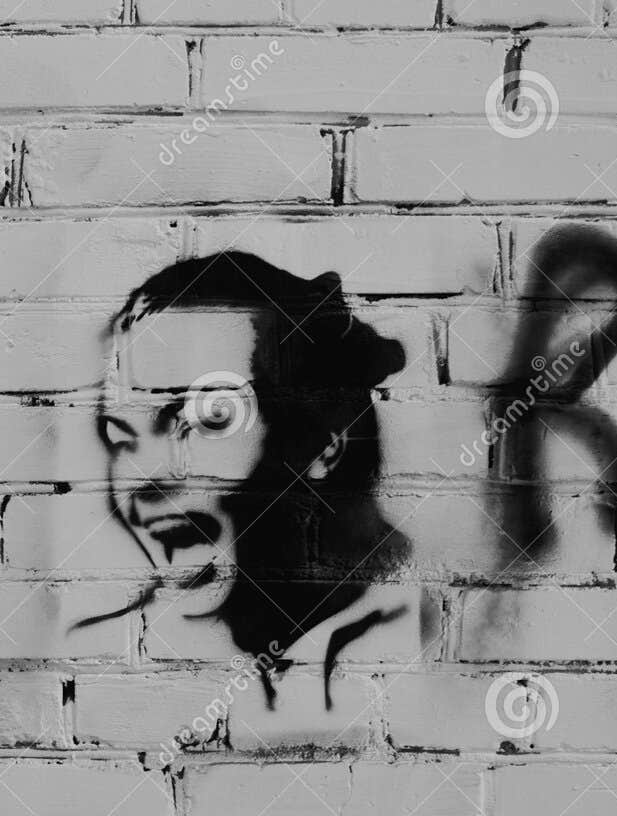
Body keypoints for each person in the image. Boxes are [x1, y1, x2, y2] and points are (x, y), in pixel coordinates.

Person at [86, 250, 437, 715]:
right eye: (120, 438)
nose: (145, 484)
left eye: (208, 420)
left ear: (323, 445)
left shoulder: (408, 649)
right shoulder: (105, 665)